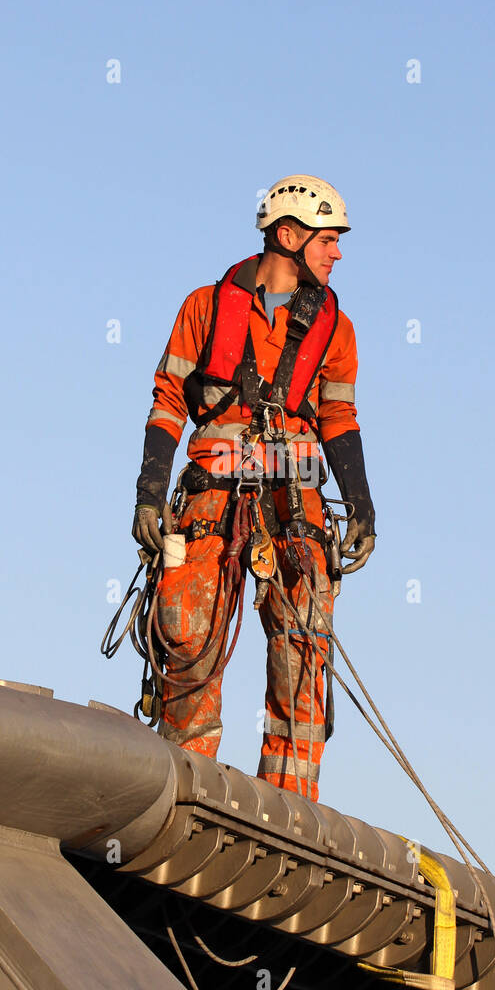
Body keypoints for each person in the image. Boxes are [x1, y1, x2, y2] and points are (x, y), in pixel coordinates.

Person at [132, 174, 375, 802]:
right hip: (211, 496)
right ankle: (183, 799)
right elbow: (167, 404)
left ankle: (289, 815)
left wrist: (362, 505)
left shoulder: (336, 329)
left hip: (296, 507)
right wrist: (150, 494)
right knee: (189, 638)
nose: (338, 253)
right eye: (328, 239)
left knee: (305, 648)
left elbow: (340, 422)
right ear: (289, 236)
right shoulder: (205, 307)